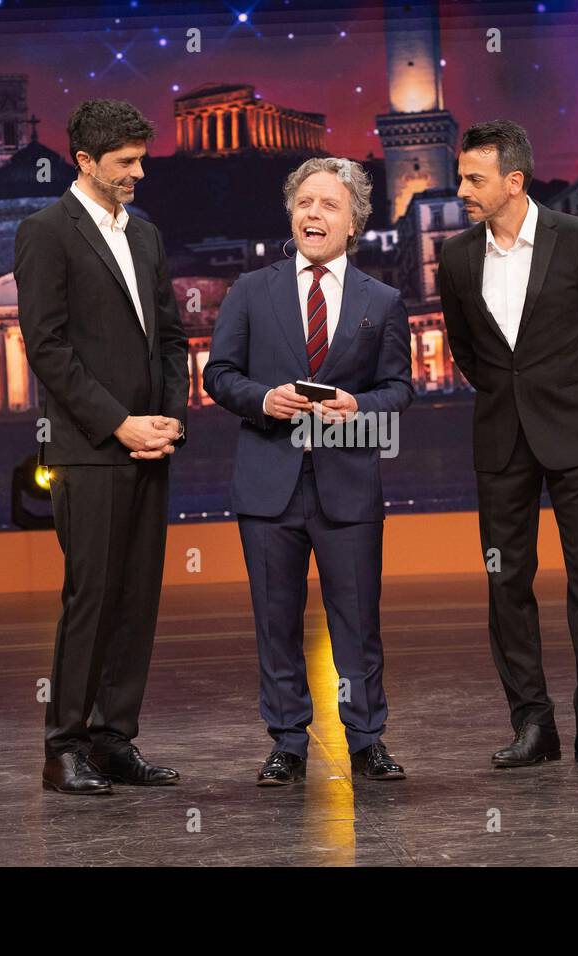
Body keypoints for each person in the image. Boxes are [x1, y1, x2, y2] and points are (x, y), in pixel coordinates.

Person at [436, 119, 578, 767]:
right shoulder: (455, 257)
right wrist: (514, 397)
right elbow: (467, 353)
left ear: (514, 181)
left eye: (475, 179)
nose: (463, 190)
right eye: (461, 178)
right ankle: (533, 725)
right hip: (501, 441)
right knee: (508, 584)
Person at [203, 158, 414, 786]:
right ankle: (288, 741)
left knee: (358, 622)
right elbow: (219, 375)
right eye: (304, 203)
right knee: (276, 620)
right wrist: (264, 400)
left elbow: (400, 388)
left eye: (328, 205)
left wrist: (360, 406)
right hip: (268, 484)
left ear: (354, 223)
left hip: (348, 487)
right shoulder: (250, 289)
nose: (313, 214)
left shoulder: (384, 301)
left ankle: (367, 738)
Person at [15, 99, 188, 794]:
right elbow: (48, 350)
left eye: (141, 159)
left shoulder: (144, 236)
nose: (138, 173)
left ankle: (115, 741)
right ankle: (65, 749)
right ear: (84, 162)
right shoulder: (45, 231)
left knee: (138, 597)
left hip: (152, 444)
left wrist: (168, 421)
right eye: (124, 163)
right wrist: (120, 424)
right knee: (92, 597)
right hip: (92, 448)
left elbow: (172, 340)